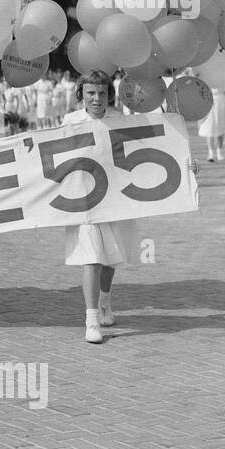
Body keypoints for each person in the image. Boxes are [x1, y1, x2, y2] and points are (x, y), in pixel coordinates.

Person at [61, 71, 143, 345]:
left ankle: (105, 300)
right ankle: (91, 319)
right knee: (93, 257)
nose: (97, 99)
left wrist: (185, 164)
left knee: (110, 258)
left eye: (102, 93)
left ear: (110, 94)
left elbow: (146, 149)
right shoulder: (70, 122)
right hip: (84, 199)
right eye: (91, 93)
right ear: (81, 96)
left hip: (115, 199)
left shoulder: (120, 121)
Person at [198, 84, 225, 162]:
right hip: (210, 103)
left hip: (221, 103)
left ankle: (219, 152)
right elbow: (202, 92)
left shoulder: (222, 80)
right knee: (210, 128)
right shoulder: (207, 80)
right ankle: (211, 154)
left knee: (220, 127)